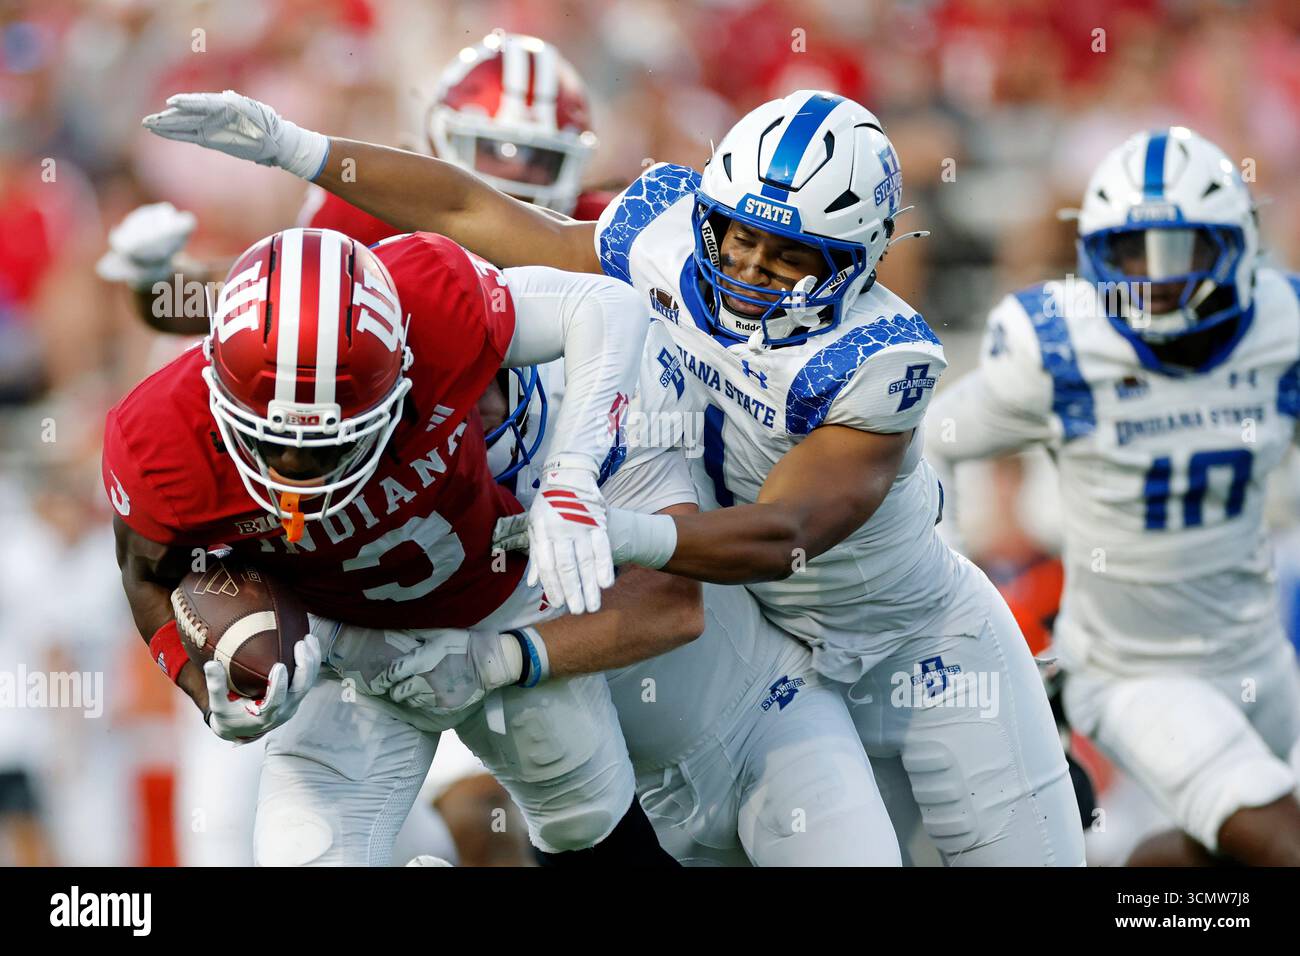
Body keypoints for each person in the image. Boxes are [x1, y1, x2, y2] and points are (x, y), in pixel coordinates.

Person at [142, 86, 1085, 863]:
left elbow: (786, 535)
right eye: (738, 236)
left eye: (791, 254)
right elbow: (475, 210)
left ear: (860, 260)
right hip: (754, 632)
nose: (751, 266)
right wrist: (302, 146)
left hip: (907, 641)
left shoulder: (880, 358)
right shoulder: (665, 233)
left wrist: (610, 523)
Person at [103, 224, 670, 865]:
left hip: (495, 601)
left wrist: (572, 474)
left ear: (402, 372)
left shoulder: (431, 301)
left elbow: (603, 305)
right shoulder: (158, 442)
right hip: (333, 648)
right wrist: (203, 692)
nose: (298, 470)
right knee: (303, 854)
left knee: (583, 824)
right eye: (273, 440)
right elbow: (145, 576)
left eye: (334, 443)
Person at [925, 127, 1300, 866]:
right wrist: (952, 584)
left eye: (1179, 251)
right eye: (1131, 252)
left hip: (1260, 652)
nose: (1153, 278)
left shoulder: (1280, 328)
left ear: (1234, 248)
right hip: (1135, 673)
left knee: (1226, 852)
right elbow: (934, 436)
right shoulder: (1062, 347)